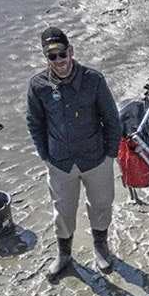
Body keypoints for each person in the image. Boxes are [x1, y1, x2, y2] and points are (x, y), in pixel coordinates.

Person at [26, 26, 123, 278]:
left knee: (101, 205)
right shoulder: (38, 86)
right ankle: (64, 255)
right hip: (60, 163)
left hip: (96, 159)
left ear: (71, 50)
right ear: (46, 58)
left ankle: (101, 247)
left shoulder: (94, 80)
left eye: (62, 54)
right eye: (52, 57)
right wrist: (46, 156)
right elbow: (34, 123)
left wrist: (110, 155)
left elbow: (112, 120)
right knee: (63, 211)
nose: (59, 61)